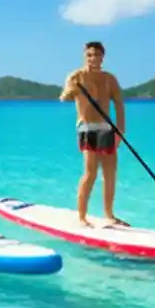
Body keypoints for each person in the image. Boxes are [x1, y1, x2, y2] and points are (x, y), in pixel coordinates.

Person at [59, 40, 128, 228]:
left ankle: (109, 215)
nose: (93, 58)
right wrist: (72, 90)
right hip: (86, 127)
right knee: (90, 173)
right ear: (85, 56)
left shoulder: (109, 78)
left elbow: (119, 103)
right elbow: (63, 97)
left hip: (106, 127)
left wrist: (120, 130)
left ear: (102, 57)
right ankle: (81, 217)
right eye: (89, 55)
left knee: (110, 173)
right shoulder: (76, 76)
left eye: (96, 55)